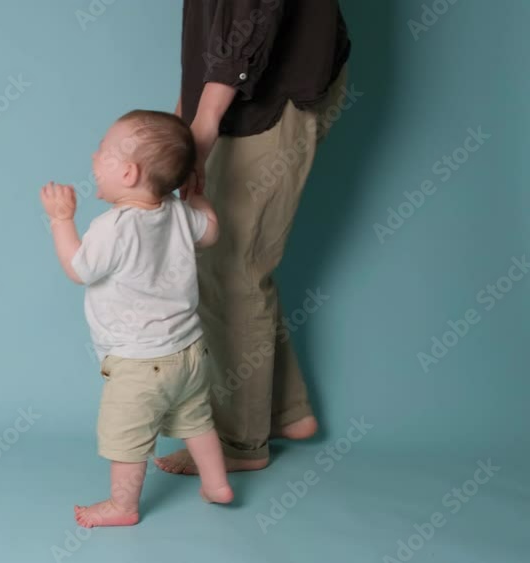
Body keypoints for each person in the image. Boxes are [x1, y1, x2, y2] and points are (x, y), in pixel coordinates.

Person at [155, 0, 352, 474]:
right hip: (247, 86)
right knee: (236, 261)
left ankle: (239, 443)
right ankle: (286, 412)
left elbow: (251, 12)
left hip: (271, 91)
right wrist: (188, 112)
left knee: (231, 266)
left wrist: (204, 121)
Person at [40, 110, 230, 529]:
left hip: (139, 362)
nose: (94, 157)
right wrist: (196, 195)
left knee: (125, 438)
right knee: (198, 420)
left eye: (102, 153)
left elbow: (79, 268)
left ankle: (123, 505)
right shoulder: (178, 214)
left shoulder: (113, 226)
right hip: (190, 352)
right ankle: (216, 483)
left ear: (127, 174)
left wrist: (60, 220)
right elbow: (212, 231)